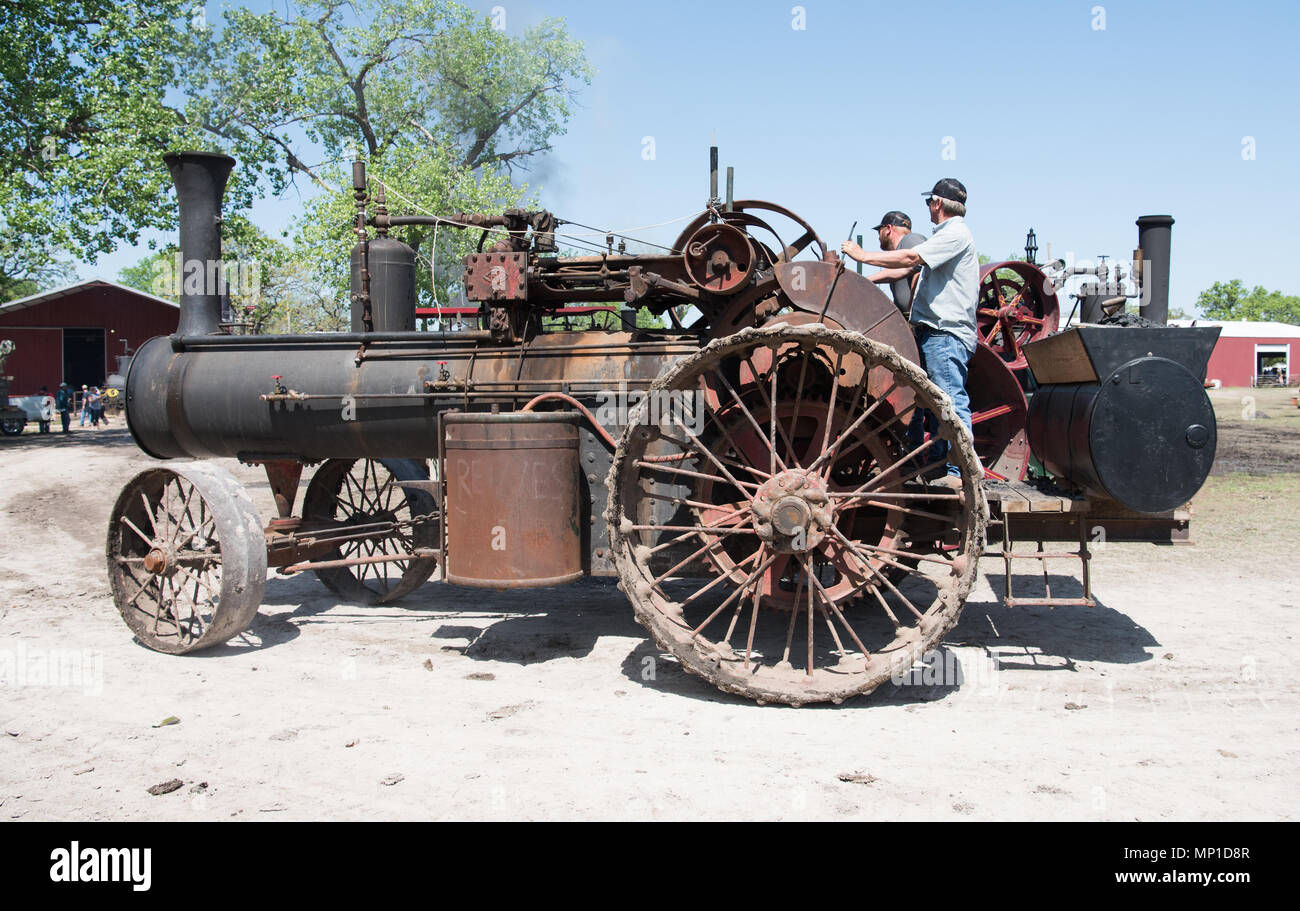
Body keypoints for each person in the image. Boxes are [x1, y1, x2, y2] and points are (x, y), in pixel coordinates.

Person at [840, 178, 979, 487]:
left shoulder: (955, 234)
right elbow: (906, 270)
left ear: (937, 203)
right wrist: (863, 280)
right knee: (926, 402)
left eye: (929, 202)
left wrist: (861, 255)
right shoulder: (945, 236)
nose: (928, 208)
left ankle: (960, 474)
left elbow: (910, 258)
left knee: (950, 400)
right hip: (933, 332)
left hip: (945, 333)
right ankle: (930, 467)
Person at [866, 210, 926, 315]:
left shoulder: (910, 239)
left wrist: (912, 312)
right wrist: (863, 281)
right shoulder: (902, 252)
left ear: (888, 229)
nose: (878, 236)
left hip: (922, 324)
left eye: (879, 231)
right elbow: (894, 272)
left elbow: (920, 270)